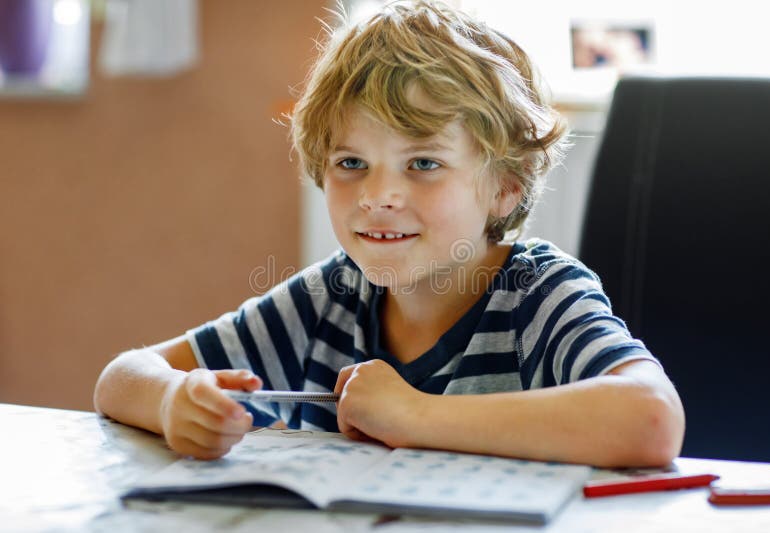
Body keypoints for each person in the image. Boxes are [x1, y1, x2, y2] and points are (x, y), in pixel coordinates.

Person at [94, 0, 684, 467]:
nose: (378, 196)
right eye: (351, 164)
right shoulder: (330, 297)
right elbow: (121, 379)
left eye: (423, 164)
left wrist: (414, 416)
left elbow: (651, 419)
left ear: (505, 187)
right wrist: (175, 401)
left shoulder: (537, 292)